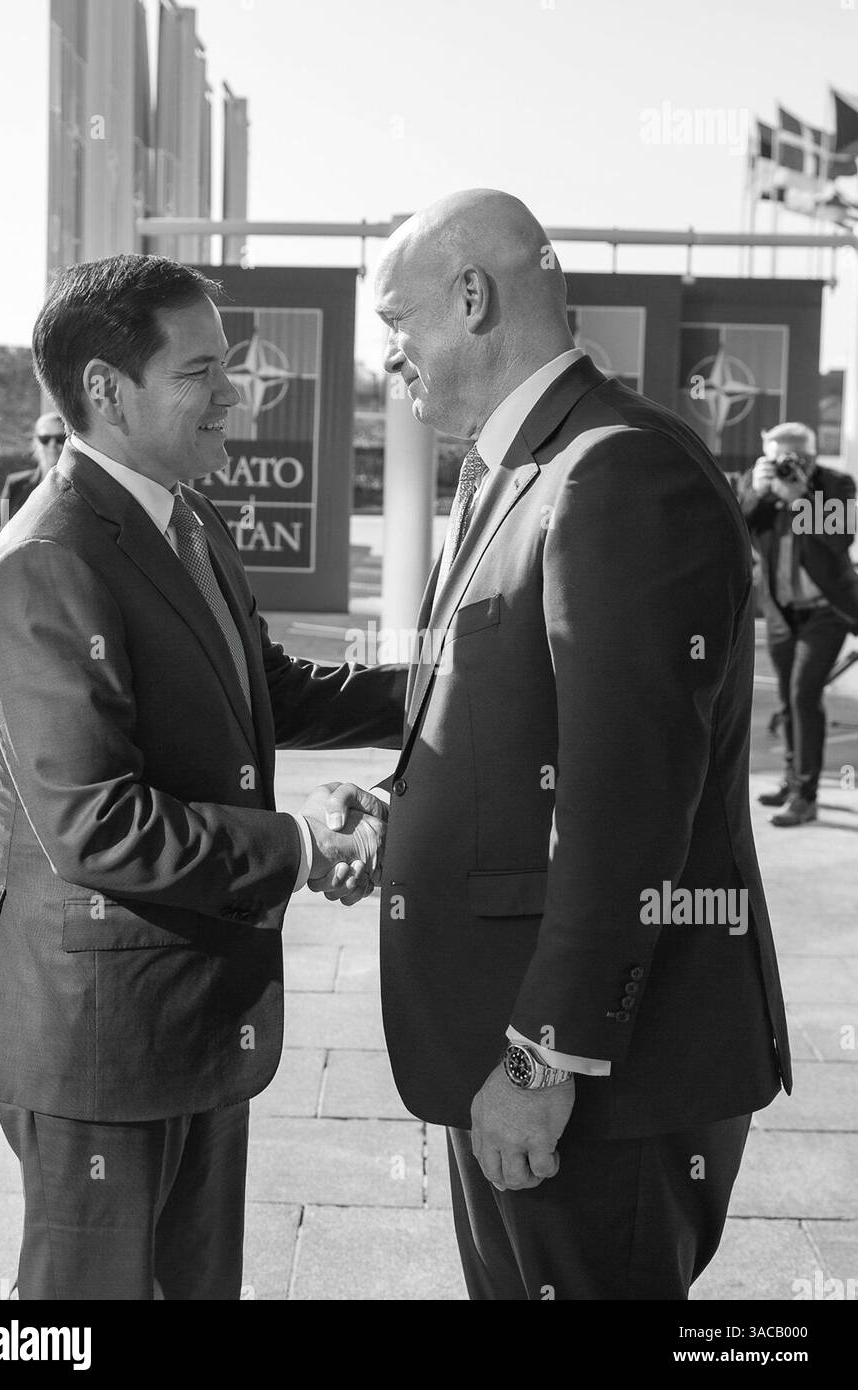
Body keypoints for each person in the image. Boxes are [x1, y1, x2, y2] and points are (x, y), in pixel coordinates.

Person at [0, 253, 405, 1300]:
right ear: (106, 393)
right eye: (202, 371)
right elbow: (96, 824)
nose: (235, 394)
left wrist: (443, 682)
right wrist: (298, 847)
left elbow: (267, 690)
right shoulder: (48, 561)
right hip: (99, 1042)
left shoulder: (186, 517)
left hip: (191, 1016)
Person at [369, 189, 791, 1300]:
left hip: (596, 1085)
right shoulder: (521, 466)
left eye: (394, 325)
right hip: (515, 1063)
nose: (391, 360)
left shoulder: (614, 470)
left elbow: (627, 799)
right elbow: (515, 712)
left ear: (471, 299)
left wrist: (543, 1053)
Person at [738, 423, 858, 827]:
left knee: (804, 695)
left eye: (796, 459)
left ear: (812, 457)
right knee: (788, 701)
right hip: (780, 612)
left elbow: (841, 540)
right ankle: (792, 783)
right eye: (778, 460)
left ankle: (806, 796)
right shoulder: (761, 487)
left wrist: (803, 499)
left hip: (827, 611)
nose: (788, 466)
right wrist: (758, 490)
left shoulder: (838, 485)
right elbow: (740, 527)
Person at [0, 412, 66, 806]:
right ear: (35, 441)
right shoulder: (18, 486)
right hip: (17, 608)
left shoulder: (82, 487)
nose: (53, 445)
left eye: (60, 437)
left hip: (61, 611)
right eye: (46, 438)